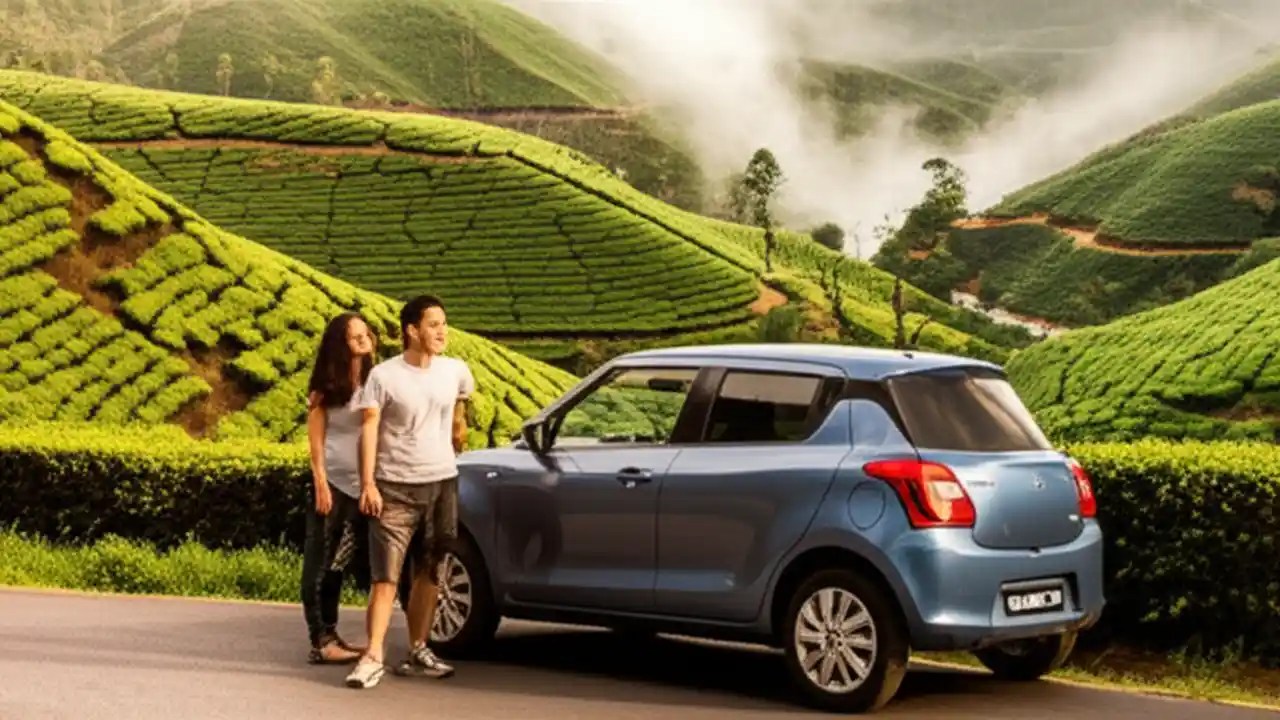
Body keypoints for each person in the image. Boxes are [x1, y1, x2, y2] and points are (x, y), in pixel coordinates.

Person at [345, 294, 474, 690]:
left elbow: (459, 409)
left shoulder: (456, 371)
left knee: (431, 570)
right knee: (386, 576)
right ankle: (373, 656)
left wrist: (457, 426)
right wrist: (367, 483)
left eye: (444, 324)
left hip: (441, 483)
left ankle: (419, 648)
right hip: (394, 487)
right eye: (433, 325)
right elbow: (368, 429)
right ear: (412, 330)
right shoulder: (384, 376)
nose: (442, 331)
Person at [300, 311, 377, 665]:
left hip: (361, 486)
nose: (363, 339)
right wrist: (320, 482)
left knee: (338, 564)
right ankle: (320, 638)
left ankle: (331, 633)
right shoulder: (327, 387)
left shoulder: (376, 380)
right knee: (319, 563)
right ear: (339, 345)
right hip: (332, 483)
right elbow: (316, 439)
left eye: (365, 333)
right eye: (353, 336)